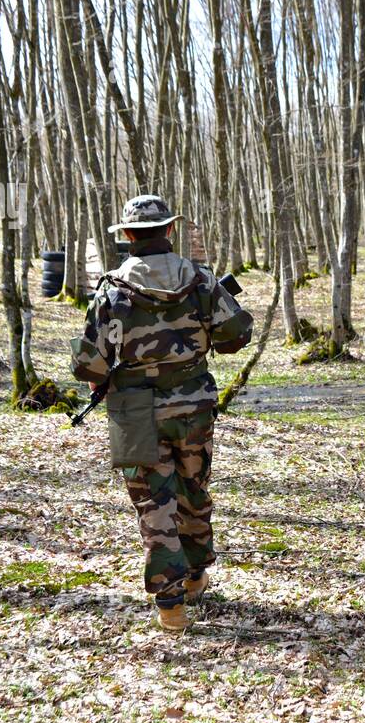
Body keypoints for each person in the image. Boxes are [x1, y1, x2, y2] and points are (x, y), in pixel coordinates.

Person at [71, 195, 253, 632]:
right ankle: (194, 577)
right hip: (193, 405)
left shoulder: (112, 289)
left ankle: (172, 605)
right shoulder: (201, 280)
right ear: (169, 231)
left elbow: (88, 365)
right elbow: (236, 334)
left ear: (129, 235)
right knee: (193, 490)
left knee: (155, 504)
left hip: (135, 412)